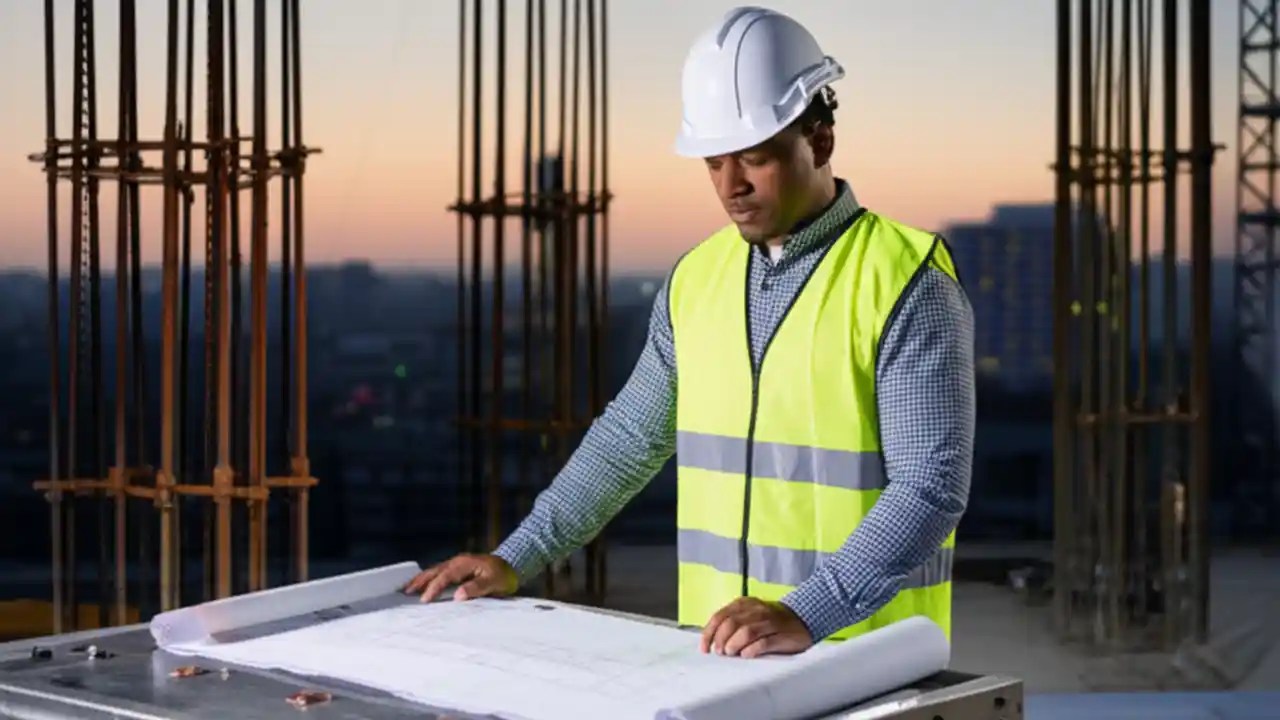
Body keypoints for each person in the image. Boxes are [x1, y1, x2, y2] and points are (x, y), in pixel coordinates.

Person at [405, 5, 975, 660]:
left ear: (819, 142)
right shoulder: (697, 280)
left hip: (862, 660)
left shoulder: (906, 282)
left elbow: (930, 486)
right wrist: (517, 556)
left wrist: (806, 611)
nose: (730, 186)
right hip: (716, 658)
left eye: (754, 159)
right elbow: (630, 439)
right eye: (713, 162)